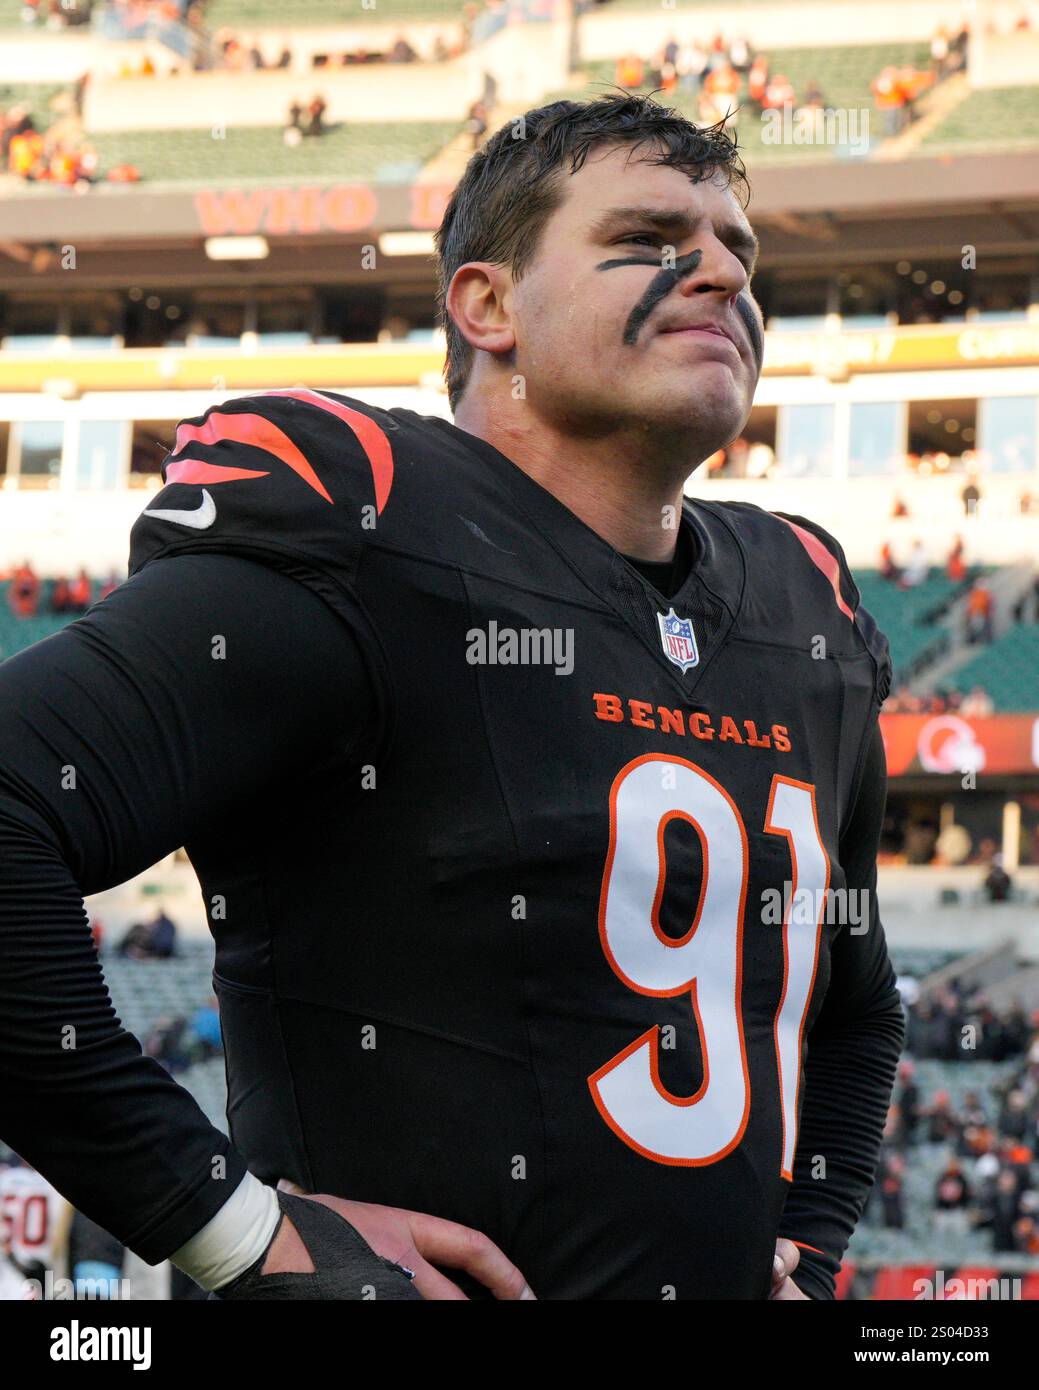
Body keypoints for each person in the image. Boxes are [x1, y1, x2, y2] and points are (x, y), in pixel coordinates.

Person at [0, 93, 903, 1302]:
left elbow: (855, 998)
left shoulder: (808, 603)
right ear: (487, 307)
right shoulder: (369, 523)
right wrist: (226, 1225)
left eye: (738, 250)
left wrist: (813, 1242)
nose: (719, 275)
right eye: (647, 239)